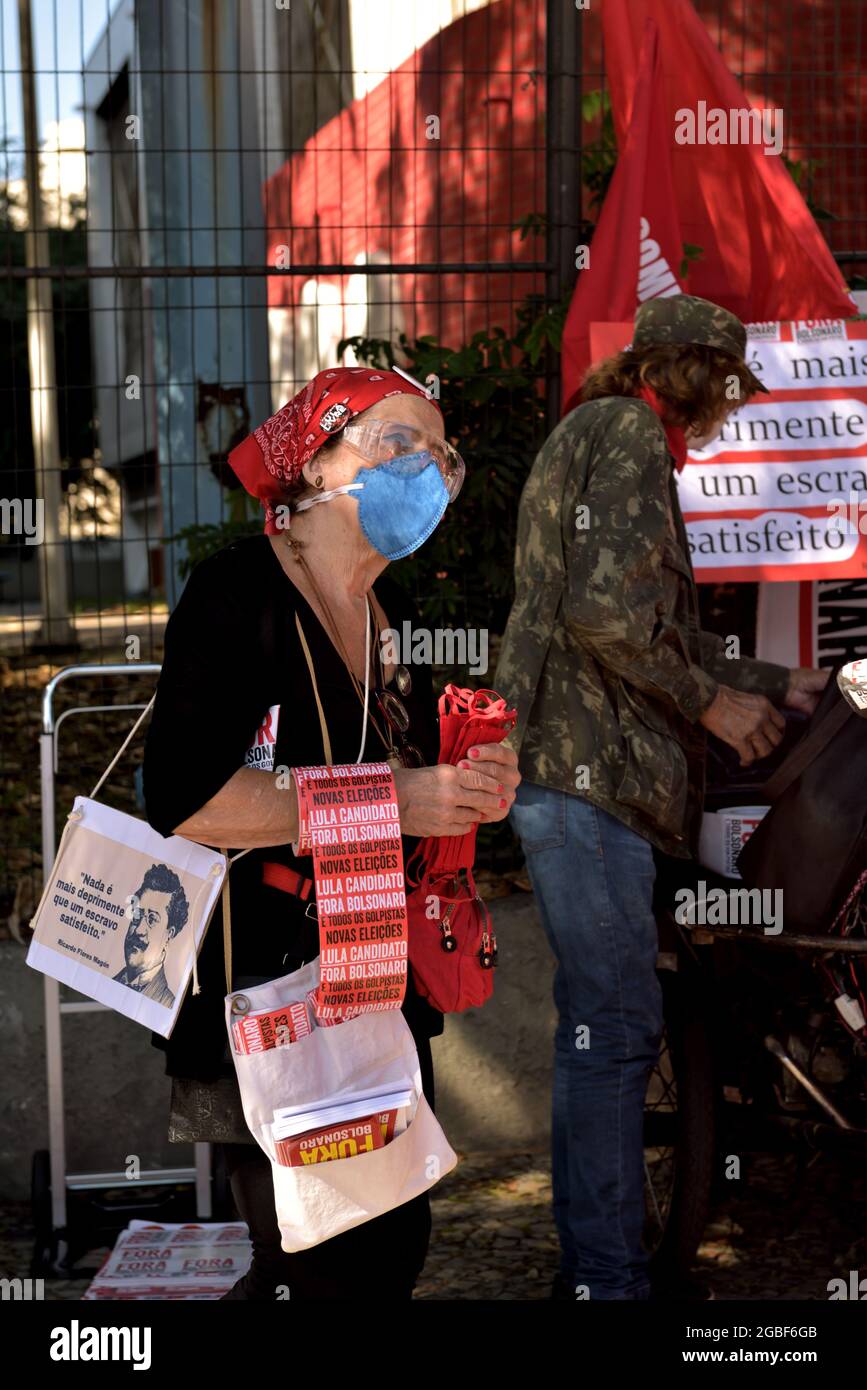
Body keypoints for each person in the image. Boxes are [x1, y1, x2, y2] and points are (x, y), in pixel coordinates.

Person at [142, 365, 520, 1300]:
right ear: (312, 466)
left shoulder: (396, 617)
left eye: (442, 456)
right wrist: (399, 801)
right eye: (397, 444)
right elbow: (188, 799)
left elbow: (411, 788)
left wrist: (471, 789)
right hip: (261, 993)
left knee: (389, 1248)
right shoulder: (236, 595)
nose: (425, 470)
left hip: (373, 983)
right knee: (307, 1266)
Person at [495, 295, 828, 1301]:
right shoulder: (633, 436)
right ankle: (605, 1278)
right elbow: (610, 617)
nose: (731, 408)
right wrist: (719, 707)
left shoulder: (599, 430)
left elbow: (648, 623)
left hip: (577, 780)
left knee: (602, 1024)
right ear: (691, 371)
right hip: (589, 780)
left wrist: (776, 683)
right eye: (727, 385)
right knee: (619, 1020)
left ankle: (591, 1267)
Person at [112, 863, 189, 1007]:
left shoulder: (168, 1005)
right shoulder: (108, 984)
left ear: (169, 935)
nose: (139, 930)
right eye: (137, 915)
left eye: (152, 919)